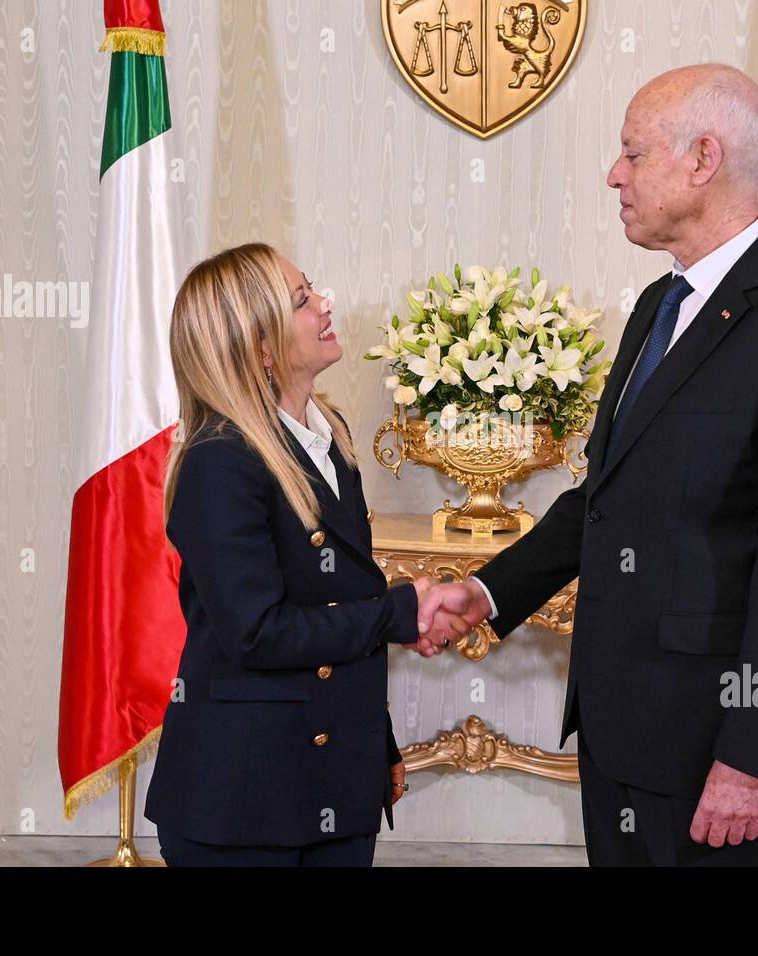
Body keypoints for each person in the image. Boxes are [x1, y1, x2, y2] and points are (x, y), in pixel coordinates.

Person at [414, 64, 758, 866]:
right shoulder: (661, 307)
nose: (613, 176)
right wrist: (488, 591)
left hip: (716, 750)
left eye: (632, 154)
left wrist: (752, 757)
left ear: (702, 159)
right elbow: (605, 496)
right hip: (623, 728)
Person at [144, 243, 469, 866]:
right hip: (245, 801)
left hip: (332, 782)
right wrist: (402, 613)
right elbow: (258, 633)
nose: (325, 304)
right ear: (260, 348)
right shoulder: (221, 460)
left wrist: (378, 745)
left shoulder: (331, 434)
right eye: (301, 300)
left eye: (310, 289)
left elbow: (345, 600)